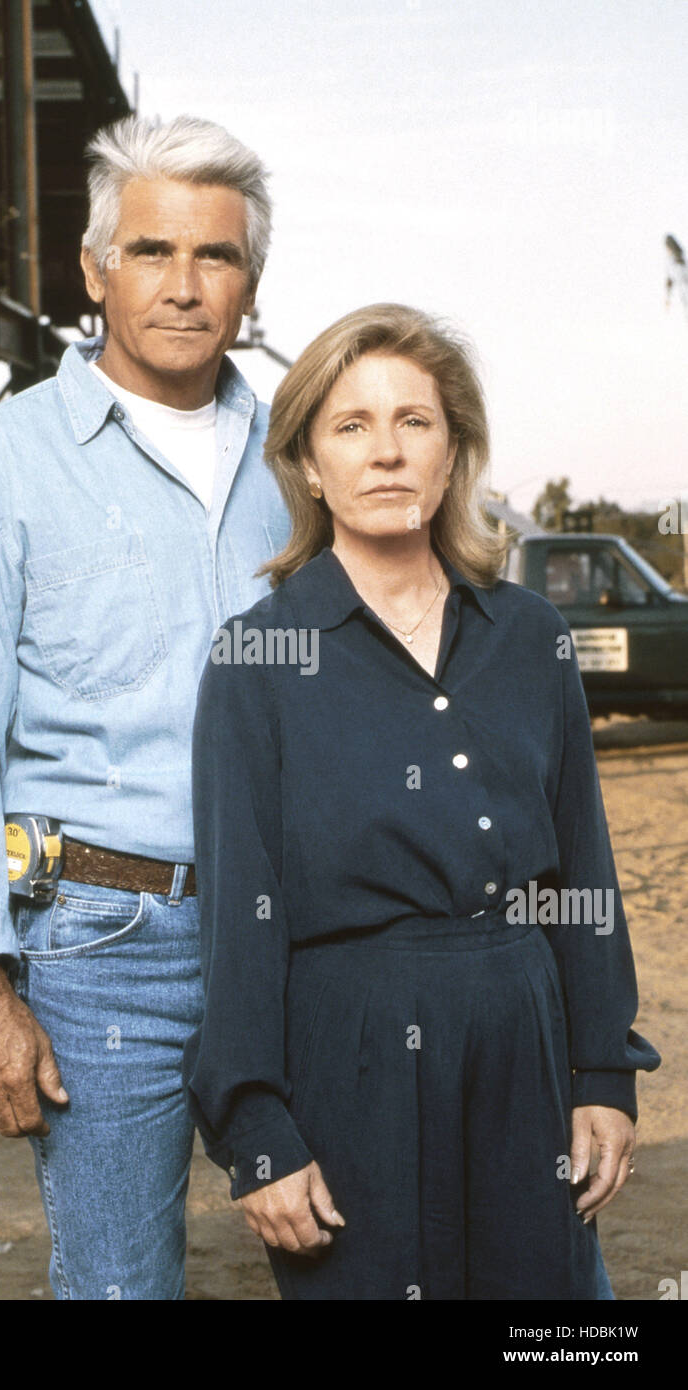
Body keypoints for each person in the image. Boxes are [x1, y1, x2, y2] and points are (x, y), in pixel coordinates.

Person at [183, 303, 661, 1300]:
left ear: (455, 455)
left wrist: (602, 1073)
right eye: (351, 425)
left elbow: (584, 871)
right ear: (308, 463)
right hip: (347, 1055)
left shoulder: (532, 638)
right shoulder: (258, 658)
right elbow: (238, 919)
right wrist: (258, 1128)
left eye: (416, 421)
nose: (387, 451)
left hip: (524, 1039)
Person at [0, 114, 290, 1300]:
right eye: (152, 251)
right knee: (120, 1285)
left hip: (299, 937)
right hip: (102, 945)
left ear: (251, 279)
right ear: (93, 269)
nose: (184, 286)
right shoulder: (6, 464)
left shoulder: (303, 459)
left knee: (368, 1252)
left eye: (216, 256)